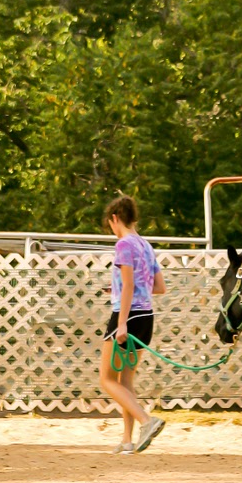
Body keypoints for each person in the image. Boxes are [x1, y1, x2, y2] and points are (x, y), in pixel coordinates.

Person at [99, 193, 167, 454]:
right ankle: (127, 440)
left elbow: (128, 285)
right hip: (146, 317)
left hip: (126, 317)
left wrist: (122, 323)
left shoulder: (124, 245)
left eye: (111, 224)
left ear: (115, 218)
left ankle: (147, 421)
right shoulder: (145, 245)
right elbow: (159, 287)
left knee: (107, 379)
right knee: (125, 381)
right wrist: (116, 289)